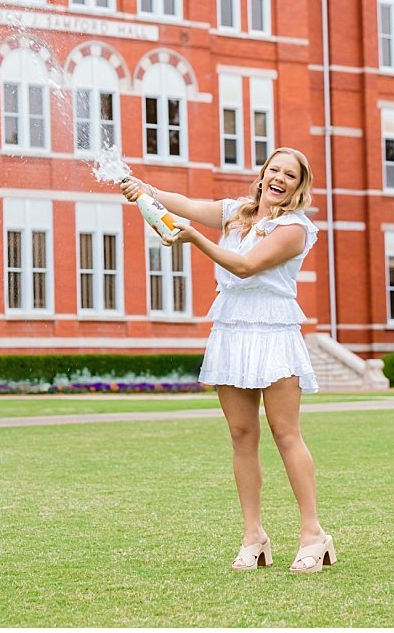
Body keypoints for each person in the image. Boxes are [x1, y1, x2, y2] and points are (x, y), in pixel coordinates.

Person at [119, 147, 336, 574]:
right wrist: (148, 190)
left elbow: (244, 266)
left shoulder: (294, 229)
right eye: (274, 169)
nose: (279, 178)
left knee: (285, 433)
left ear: (298, 186)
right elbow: (189, 205)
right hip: (231, 327)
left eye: (289, 175)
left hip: (272, 330)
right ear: (262, 174)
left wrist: (193, 238)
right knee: (241, 435)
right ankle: (253, 536)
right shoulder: (237, 212)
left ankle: (313, 534)